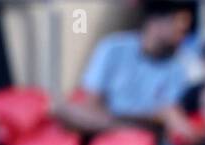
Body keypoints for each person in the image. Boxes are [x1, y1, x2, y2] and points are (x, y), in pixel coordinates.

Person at [54, 0, 193, 134]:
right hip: (102, 121)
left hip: (143, 133)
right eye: (179, 26)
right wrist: (118, 123)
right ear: (155, 22)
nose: (182, 34)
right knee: (63, 108)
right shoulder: (113, 47)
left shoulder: (181, 67)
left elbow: (165, 116)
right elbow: (92, 101)